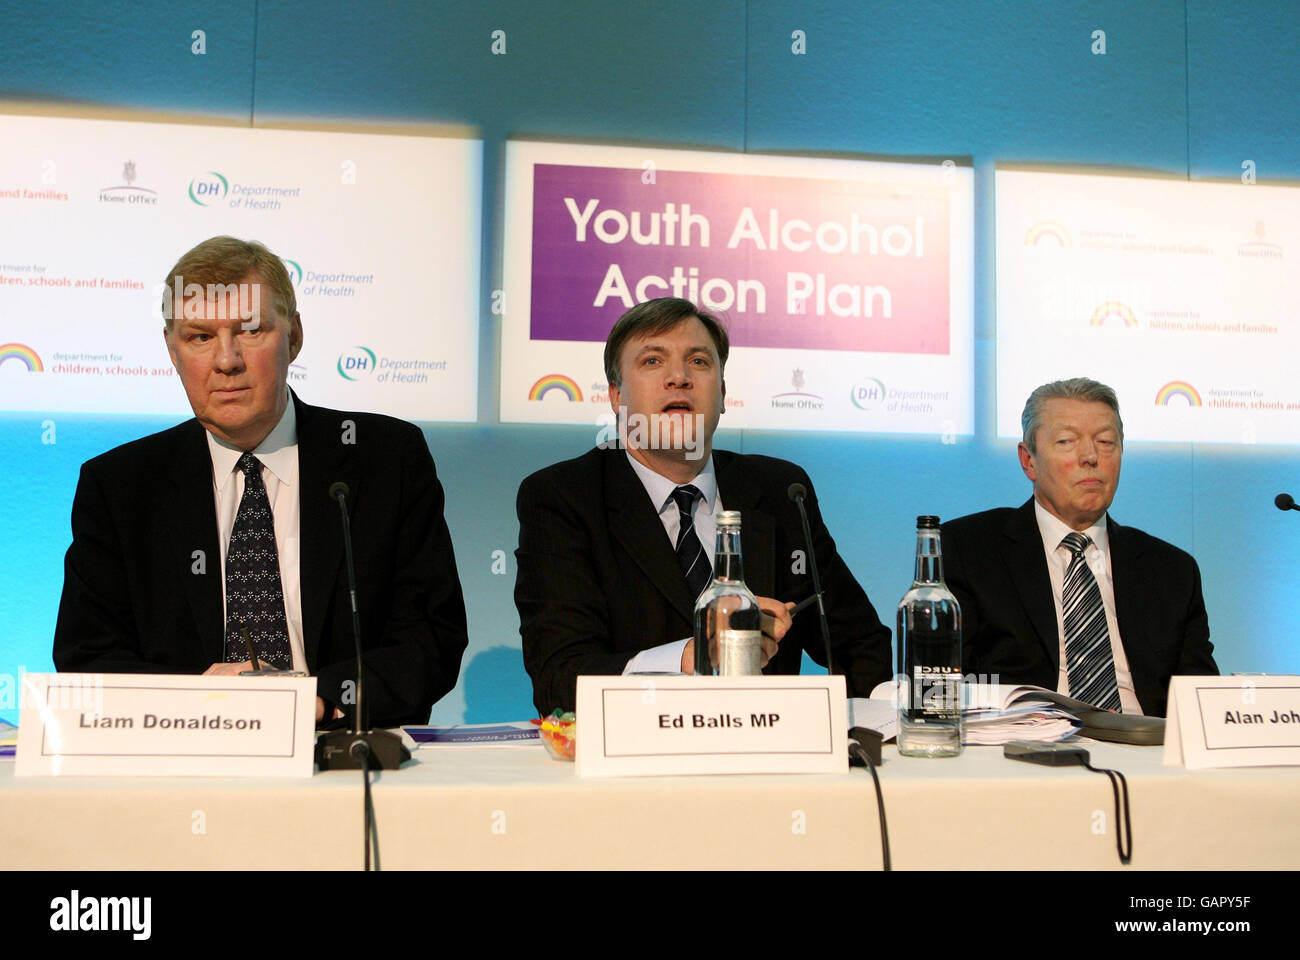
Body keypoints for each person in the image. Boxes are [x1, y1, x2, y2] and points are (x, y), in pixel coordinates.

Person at [53, 236, 468, 728]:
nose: (226, 361)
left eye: (250, 331)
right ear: (172, 350)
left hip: (337, 745)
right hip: (179, 756)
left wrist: (311, 701)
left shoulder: (384, 458)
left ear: (293, 337)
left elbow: (429, 637)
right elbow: (88, 659)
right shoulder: (120, 486)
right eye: (200, 337)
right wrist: (198, 704)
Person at [515, 297, 892, 715]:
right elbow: (560, 680)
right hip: (633, 766)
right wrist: (690, 658)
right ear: (617, 396)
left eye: (698, 362)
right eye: (653, 361)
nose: (678, 378)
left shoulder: (780, 490)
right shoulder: (563, 497)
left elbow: (861, 645)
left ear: (724, 393)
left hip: (769, 759)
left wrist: (854, 733)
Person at [941, 378, 1217, 717]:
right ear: (1028, 460)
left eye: (1105, 442)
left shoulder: (1172, 569)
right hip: (1022, 746)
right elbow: (941, 685)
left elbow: (1203, 702)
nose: (1090, 457)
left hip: (1147, 750)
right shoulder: (967, 550)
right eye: (1067, 442)